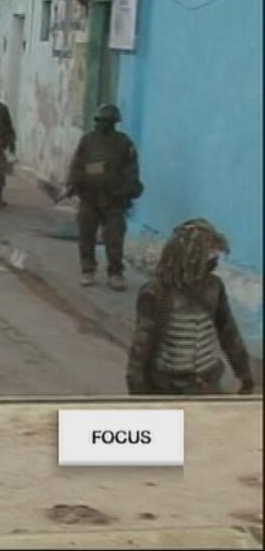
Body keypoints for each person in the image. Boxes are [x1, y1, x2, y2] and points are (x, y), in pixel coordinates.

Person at [126, 219, 255, 395]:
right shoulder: (155, 293)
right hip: (167, 386)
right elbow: (142, 343)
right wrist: (137, 387)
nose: (215, 259)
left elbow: (228, 332)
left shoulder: (214, 286)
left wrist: (244, 372)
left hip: (207, 382)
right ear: (189, 257)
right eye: (209, 254)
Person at [64, 104, 143, 289]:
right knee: (86, 235)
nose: (103, 125)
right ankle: (88, 269)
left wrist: (123, 190)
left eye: (107, 121)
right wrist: (73, 184)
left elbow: (132, 171)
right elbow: (77, 164)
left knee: (114, 238)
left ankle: (115, 272)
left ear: (114, 123)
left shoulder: (124, 143)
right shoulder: (87, 141)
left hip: (114, 200)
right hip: (89, 198)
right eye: (100, 121)